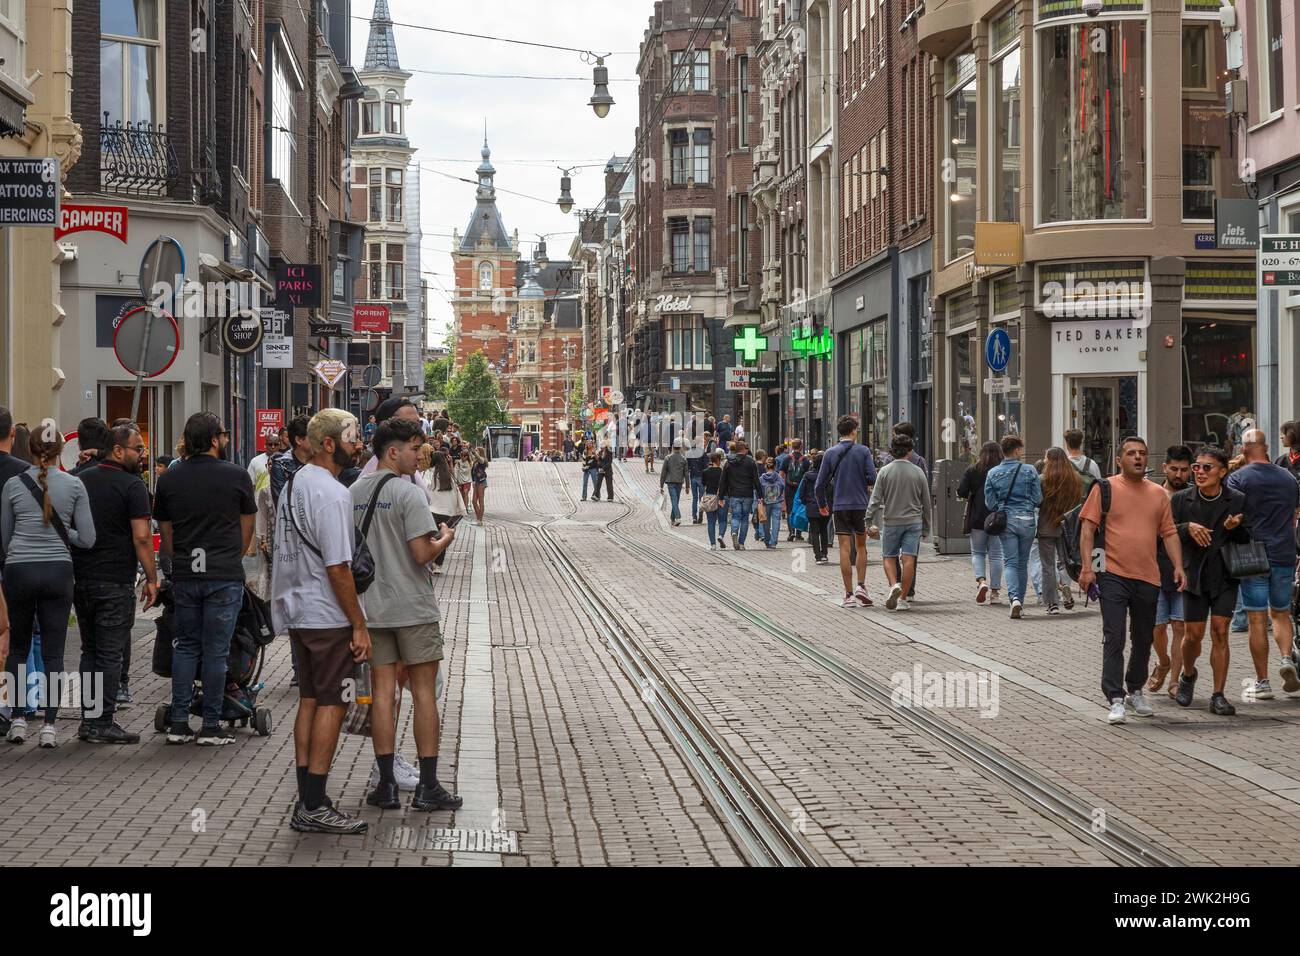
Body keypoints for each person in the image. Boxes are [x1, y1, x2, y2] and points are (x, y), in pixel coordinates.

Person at [352, 419, 462, 812]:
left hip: (373, 609)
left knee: (382, 694)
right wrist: (445, 538)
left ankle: (385, 785)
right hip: (412, 606)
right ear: (392, 452)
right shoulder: (408, 494)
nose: (421, 456)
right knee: (423, 693)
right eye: (415, 448)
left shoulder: (353, 492)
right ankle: (428, 786)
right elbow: (420, 554)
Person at [273, 409, 370, 834]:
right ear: (329, 444)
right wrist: (359, 624)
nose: (358, 445)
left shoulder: (293, 484)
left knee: (310, 700)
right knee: (333, 702)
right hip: (327, 614)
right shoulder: (333, 493)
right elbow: (338, 567)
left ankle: (308, 796)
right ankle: (313, 804)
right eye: (351, 439)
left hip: (298, 609)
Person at [154, 413, 256, 746]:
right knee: (216, 650)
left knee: (185, 647)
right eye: (223, 435)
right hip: (223, 574)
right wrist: (232, 556)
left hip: (186, 573)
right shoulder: (237, 476)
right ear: (213, 439)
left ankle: (179, 722)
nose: (225, 440)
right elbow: (247, 529)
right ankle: (211, 725)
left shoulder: (170, 478)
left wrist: (179, 555)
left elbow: (165, 534)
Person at [1078, 436, 1186, 725]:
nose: (1137, 458)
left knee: (1143, 637)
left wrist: (1178, 566)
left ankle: (1135, 688)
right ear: (1119, 460)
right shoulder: (1105, 488)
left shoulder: (1158, 494)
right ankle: (1115, 697)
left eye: (1142, 453)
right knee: (1115, 634)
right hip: (1113, 574)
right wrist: (1088, 569)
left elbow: (1169, 533)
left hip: (1148, 576)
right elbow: (1088, 530)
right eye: (1131, 453)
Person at [1, 426, 96, 747]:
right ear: (60, 450)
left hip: (19, 570)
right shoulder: (74, 485)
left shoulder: (14, 485)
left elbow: (5, 536)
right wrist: (61, 534)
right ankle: (50, 726)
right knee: (54, 653)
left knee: (17, 646)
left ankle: (16, 719)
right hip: (58, 571)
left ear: (29, 449)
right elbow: (87, 538)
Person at [71, 423, 159, 745]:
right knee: (110, 653)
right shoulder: (132, 486)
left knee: (89, 650)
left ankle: (88, 719)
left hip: (83, 578)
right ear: (119, 450)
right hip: (115, 580)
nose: (142, 453)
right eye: (138, 448)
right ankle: (102, 721)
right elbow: (142, 537)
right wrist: (152, 578)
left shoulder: (80, 479)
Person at [1171, 446, 1249, 715]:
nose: (1200, 472)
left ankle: (1218, 694)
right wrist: (1186, 528)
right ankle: (1188, 674)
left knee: (1220, 630)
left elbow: (1247, 538)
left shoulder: (1236, 499)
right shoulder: (1182, 500)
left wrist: (1234, 529)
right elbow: (1166, 534)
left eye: (1207, 467)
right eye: (1197, 467)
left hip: (1224, 574)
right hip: (1194, 575)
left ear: (1223, 471)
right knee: (1193, 636)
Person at [1227, 429, 1300, 697]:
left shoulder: (1238, 478)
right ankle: (1285, 658)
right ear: (1265, 446)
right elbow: (1294, 516)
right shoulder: (1288, 477)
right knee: (1281, 612)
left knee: (1256, 619)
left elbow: (1231, 516)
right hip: (1283, 551)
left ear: (1243, 448)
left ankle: (1262, 682)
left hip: (1252, 553)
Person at [814, 416, 879, 608]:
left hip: (840, 505)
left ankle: (848, 594)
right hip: (860, 505)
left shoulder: (830, 453)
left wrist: (822, 505)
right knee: (860, 546)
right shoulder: (863, 451)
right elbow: (873, 478)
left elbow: (820, 484)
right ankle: (861, 585)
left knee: (844, 548)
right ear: (853, 431)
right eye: (857, 430)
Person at [866, 434, 931, 611]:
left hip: (892, 521)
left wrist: (868, 520)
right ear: (909, 451)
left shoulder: (885, 472)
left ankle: (894, 585)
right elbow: (926, 502)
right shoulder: (918, 472)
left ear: (892, 451)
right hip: (914, 522)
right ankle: (903, 598)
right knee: (909, 558)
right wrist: (926, 526)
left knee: (889, 557)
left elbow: (875, 500)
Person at [982, 436, 1043, 620]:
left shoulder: (993, 473)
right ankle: (1020, 602)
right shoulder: (1030, 470)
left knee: (1010, 562)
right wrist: (1027, 504)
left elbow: (989, 502)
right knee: (1022, 564)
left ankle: (1014, 598)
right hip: (1027, 520)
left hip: (1006, 520)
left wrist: (1002, 506)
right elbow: (1038, 498)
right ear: (1016, 450)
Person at [1149, 446, 1192, 696]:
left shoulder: (1195, 497)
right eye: (1174, 469)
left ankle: (1175, 681)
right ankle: (1163, 661)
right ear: (1164, 468)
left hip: (1184, 571)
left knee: (1179, 626)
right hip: (1154, 569)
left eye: (1184, 470)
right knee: (1157, 627)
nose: (1179, 474)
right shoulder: (1153, 494)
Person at [1034, 448, 1082, 616]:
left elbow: (1037, 502)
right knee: (1064, 561)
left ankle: (1052, 603)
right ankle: (1066, 585)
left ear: (1050, 460)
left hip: (1046, 526)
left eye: (1046, 458)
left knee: (1047, 565)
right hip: (1067, 526)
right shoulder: (1075, 479)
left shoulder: (1042, 480)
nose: (1045, 461)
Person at [959, 442, 1005, 606]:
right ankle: (995, 592)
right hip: (998, 518)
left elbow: (961, 490)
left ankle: (982, 581)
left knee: (977, 553)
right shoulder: (1003, 471)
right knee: (996, 555)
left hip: (977, 517)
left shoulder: (973, 470)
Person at [426, 451, 466, 574]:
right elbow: (456, 494)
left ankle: (430, 561)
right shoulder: (449, 476)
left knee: (429, 537)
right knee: (443, 536)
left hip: (432, 510)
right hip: (447, 512)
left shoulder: (429, 473)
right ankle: (438, 564)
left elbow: (425, 489)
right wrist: (458, 509)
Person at [719, 440, 760, 551]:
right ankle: (741, 543)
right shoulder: (751, 462)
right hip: (747, 494)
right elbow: (756, 480)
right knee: (745, 518)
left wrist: (721, 497)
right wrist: (760, 495)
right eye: (746, 449)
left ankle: (734, 531)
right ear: (743, 450)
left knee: (736, 516)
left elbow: (723, 480)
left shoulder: (728, 463)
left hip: (734, 494)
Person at [270, 415, 312, 507]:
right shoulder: (281, 466)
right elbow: (282, 503)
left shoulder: (322, 461)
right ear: (299, 440)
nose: (318, 440)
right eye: (313, 436)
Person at [799, 453, 830, 564]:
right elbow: (831, 492)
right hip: (825, 506)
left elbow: (801, 493)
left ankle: (817, 556)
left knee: (814, 531)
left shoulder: (807, 476)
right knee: (824, 530)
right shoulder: (828, 476)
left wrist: (806, 502)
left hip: (811, 506)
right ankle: (824, 554)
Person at [780, 440, 808, 542]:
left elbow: (781, 475)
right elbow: (807, 476)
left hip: (789, 488)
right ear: (801, 447)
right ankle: (798, 534)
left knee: (790, 510)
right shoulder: (805, 460)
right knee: (799, 510)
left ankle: (791, 532)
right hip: (801, 489)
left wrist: (781, 488)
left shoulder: (787, 459)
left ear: (792, 446)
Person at [660, 440, 688, 527]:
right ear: (680, 448)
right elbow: (686, 473)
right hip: (679, 482)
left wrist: (661, 485)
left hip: (670, 481)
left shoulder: (668, 458)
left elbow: (663, 472)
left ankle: (677, 517)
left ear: (672, 447)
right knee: (676, 500)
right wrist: (687, 486)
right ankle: (672, 519)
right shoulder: (683, 458)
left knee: (674, 499)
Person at [701, 451, 726, 549]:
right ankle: (720, 535)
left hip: (709, 497)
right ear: (719, 460)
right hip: (721, 497)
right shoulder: (722, 471)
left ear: (711, 460)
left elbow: (703, 483)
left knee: (711, 521)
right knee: (722, 520)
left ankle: (713, 544)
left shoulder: (705, 472)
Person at [759, 458, 785, 549]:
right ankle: (773, 542)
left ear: (766, 466)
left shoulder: (762, 478)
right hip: (777, 501)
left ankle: (767, 540)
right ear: (775, 466)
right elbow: (782, 486)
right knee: (776, 521)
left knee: (765, 522)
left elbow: (758, 490)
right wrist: (779, 496)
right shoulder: (778, 477)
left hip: (766, 502)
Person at [686, 433, 708, 524]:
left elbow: (687, 466)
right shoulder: (703, 453)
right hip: (701, 477)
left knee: (694, 498)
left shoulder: (689, 452)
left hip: (693, 476)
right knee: (701, 498)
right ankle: (700, 516)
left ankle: (694, 517)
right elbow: (705, 466)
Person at [471, 447, 489, 523]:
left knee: (480, 501)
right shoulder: (475, 461)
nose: (475, 451)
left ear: (480, 452)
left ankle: (479, 520)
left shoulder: (482, 460)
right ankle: (479, 518)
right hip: (476, 482)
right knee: (474, 501)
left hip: (482, 482)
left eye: (477, 450)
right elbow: (472, 456)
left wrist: (473, 451)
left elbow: (478, 457)